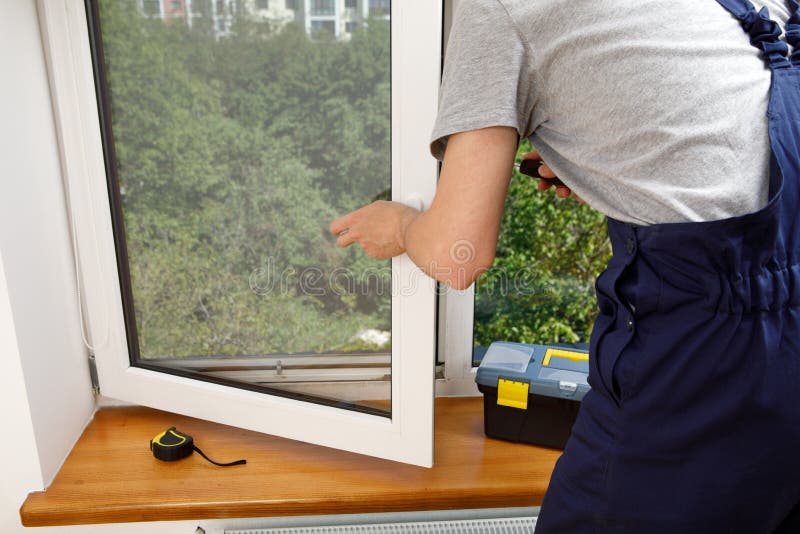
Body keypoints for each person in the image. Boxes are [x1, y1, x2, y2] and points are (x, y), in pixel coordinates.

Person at [330, 0, 800, 531]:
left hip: (700, 371)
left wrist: (400, 227)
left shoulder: (504, 11)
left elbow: (456, 255)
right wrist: (614, 172)